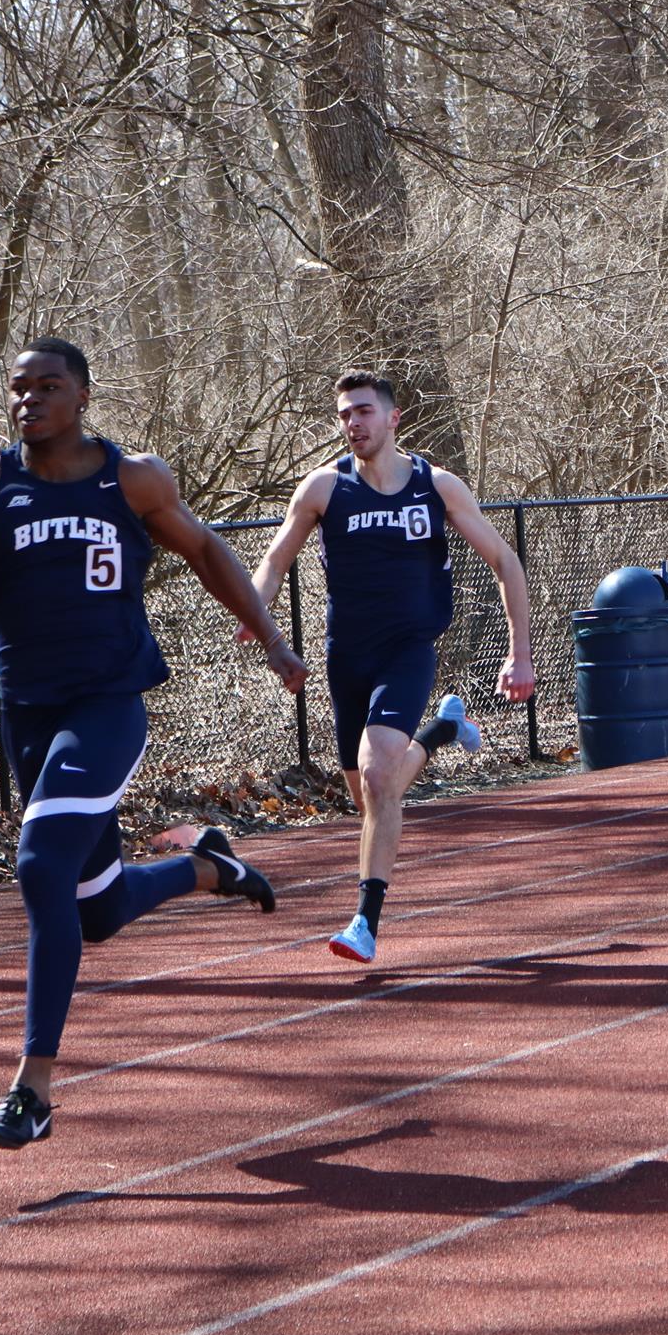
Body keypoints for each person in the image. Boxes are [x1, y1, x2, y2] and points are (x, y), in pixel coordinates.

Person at [0, 336, 307, 1148]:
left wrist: (268, 636)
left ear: (83, 396)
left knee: (38, 865)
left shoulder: (133, 477)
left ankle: (34, 1088)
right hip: (29, 715)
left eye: (48, 386)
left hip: (108, 705)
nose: (29, 401)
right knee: (93, 912)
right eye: (18, 389)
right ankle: (210, 866)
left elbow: (203, 548)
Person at [245, 370, 535, 964]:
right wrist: (258, 613)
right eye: (346, 414)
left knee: (380, 778)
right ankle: (443, 729)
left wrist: (520, 652)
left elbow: (505, 561)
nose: (354, 423)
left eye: (365, 412)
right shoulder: (324, 489)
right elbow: (275, 561)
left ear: (393, 418)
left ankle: (364, 922)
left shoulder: (438, 487)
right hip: (345, 657)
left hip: (408, 649)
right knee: (370, 797)